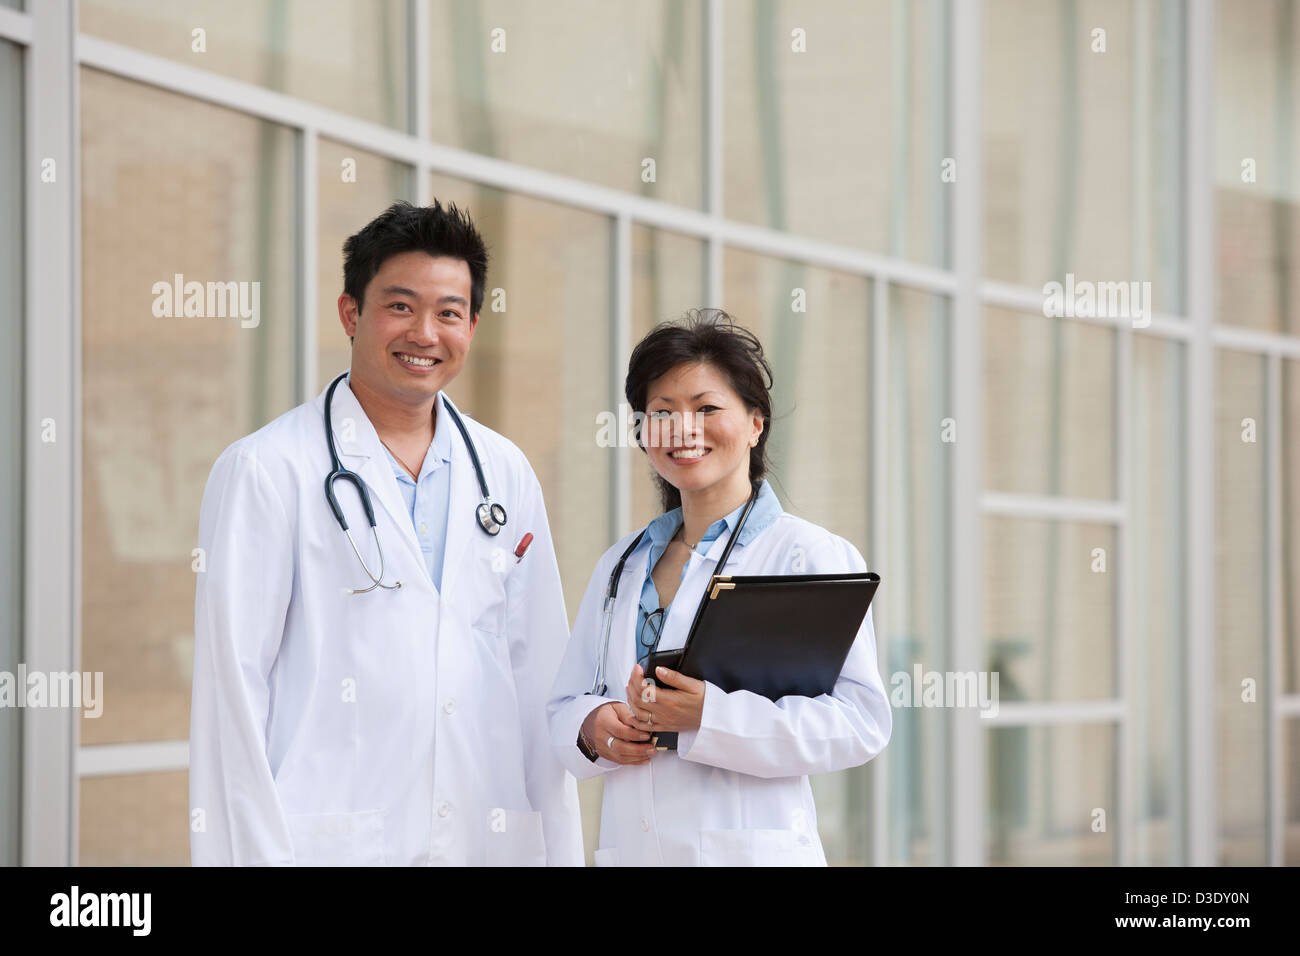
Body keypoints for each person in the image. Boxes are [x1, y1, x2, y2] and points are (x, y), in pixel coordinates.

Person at [190, 200, 581, 866]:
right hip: (330, 844)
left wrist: (558, 852)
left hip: (484, 841)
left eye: (449, 313)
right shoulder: (268, 470)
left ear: (473, 324)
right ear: (351, 313)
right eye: (400, 306)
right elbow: (232, 697)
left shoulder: (504, 474)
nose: (425, 333)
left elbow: (539, 674)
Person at [547, 310, 891, 866]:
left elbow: (858, 722)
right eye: (662, 412)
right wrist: (594, 729)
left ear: (756, 423)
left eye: (707, 408)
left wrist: (709, 717)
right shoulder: (621, 566)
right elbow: (563, 704)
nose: (684, 429)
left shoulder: (805, 556)